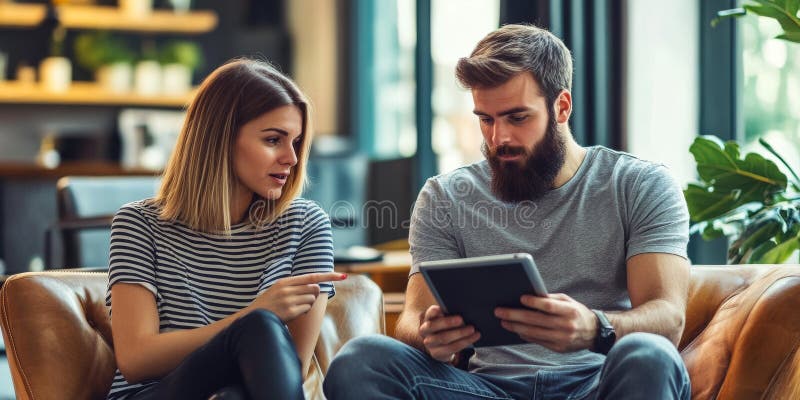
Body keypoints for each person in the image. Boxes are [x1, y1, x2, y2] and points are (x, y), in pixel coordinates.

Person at [324, 24, 691, 399]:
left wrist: (595, 328)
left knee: (650, 355)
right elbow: (412, 318)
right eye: (486, 119)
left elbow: (668, 317)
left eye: (517, 118)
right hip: (484, 389)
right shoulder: (444, 197)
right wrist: (430, 336)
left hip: (595, 386)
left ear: (561, 106)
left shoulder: (639, 185)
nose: (500, 138)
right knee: (360, 360)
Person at [106, 58, 346, 400]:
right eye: (274, 139)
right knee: (260, 326)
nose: (291, 158)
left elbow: (290, 365)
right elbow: (136, 359)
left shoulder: (306, 224)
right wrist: (252, 316)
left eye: (295, 142)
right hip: (155, 394)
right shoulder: (138, 224)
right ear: (220, 138)